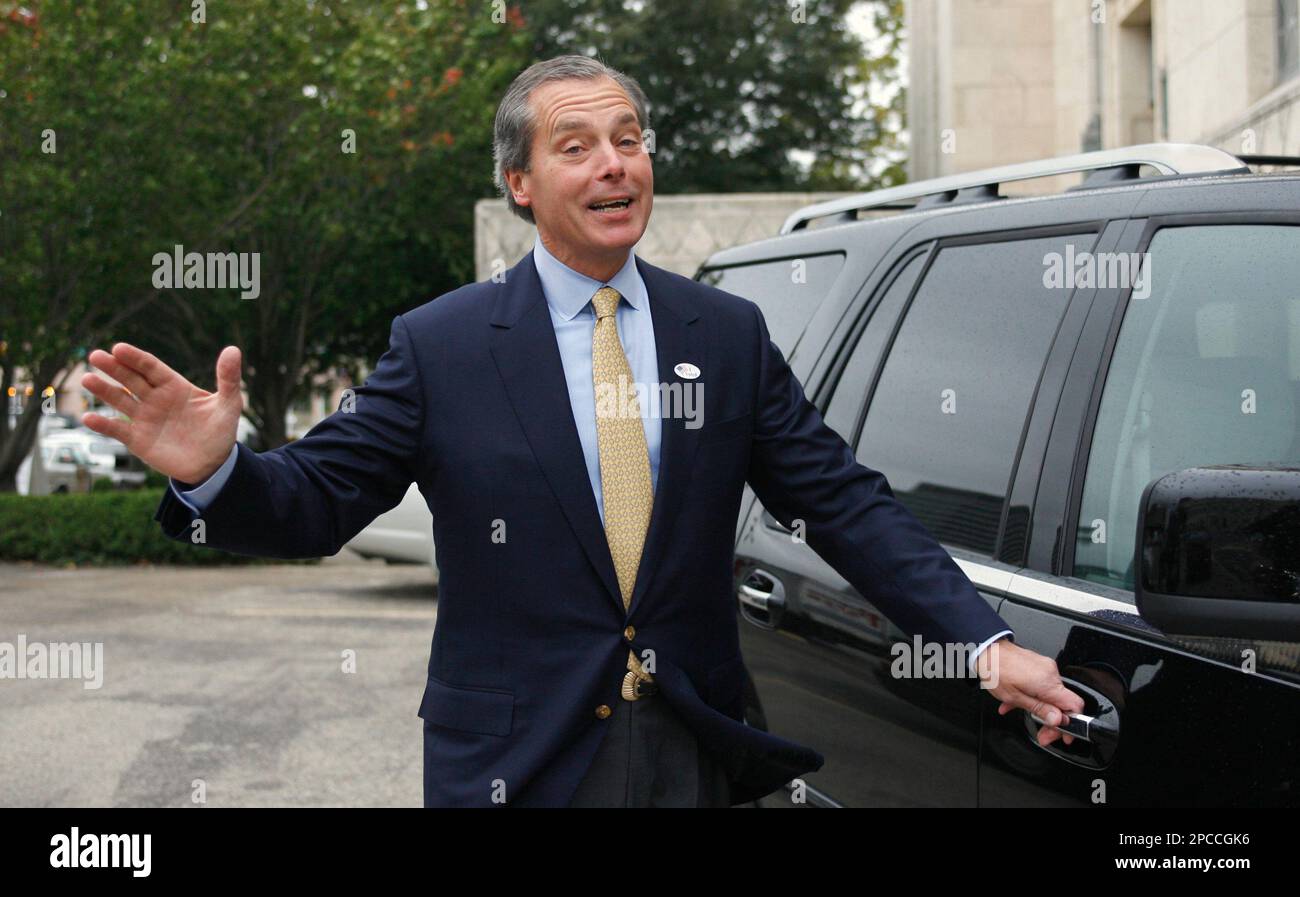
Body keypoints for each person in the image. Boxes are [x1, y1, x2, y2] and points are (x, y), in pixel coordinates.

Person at [81, 55, 1083, 808]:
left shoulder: (722, 333)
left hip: (696, 747)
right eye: (576, 148)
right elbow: (313, 506)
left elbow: (841, 500)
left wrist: (978, 641)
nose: (614, 166)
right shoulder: (444, 346)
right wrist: (219, 474)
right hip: (518, 763)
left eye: (629, 140)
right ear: (520, 184)